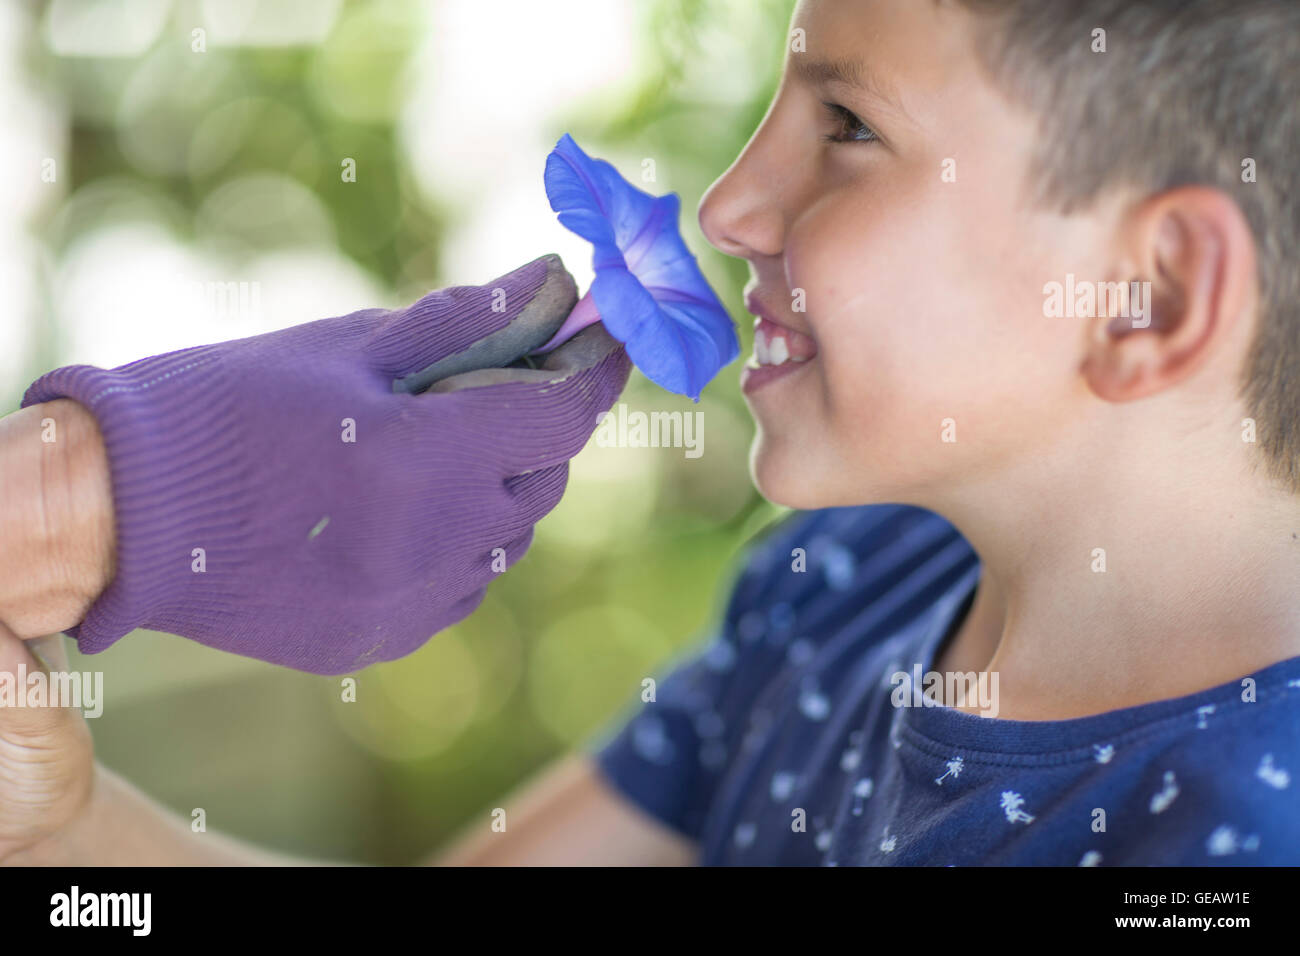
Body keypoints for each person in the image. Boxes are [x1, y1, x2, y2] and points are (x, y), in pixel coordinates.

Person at [3, 0, 1299, 866]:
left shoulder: (1230, 841)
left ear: (1153, 298)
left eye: (847, 127)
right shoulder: (845, 586)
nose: (730, 205)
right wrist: (61, 828)